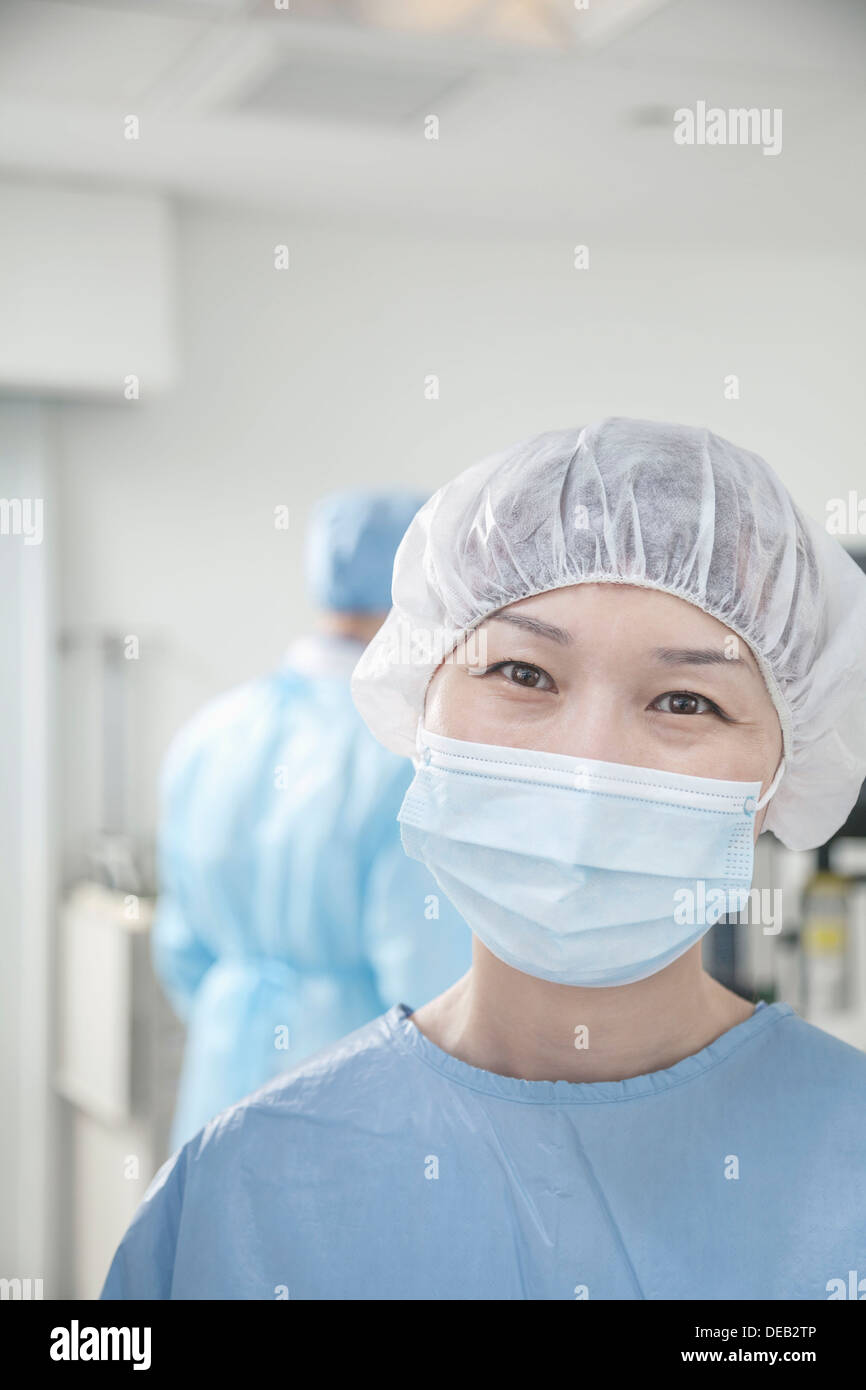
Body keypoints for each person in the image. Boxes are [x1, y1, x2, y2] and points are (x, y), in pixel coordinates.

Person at [103, 418, 866, 1300]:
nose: (588, 768)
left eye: (685, 699)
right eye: (524, 675)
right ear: (421, 706)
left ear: (785, 771)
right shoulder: (238, 1197)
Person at [151, 489, 472, 1151]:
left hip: (220, 1076)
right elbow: (432, 987)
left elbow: (180, 949)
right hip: (354, 1093)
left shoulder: (212, 732)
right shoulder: (405, 753)